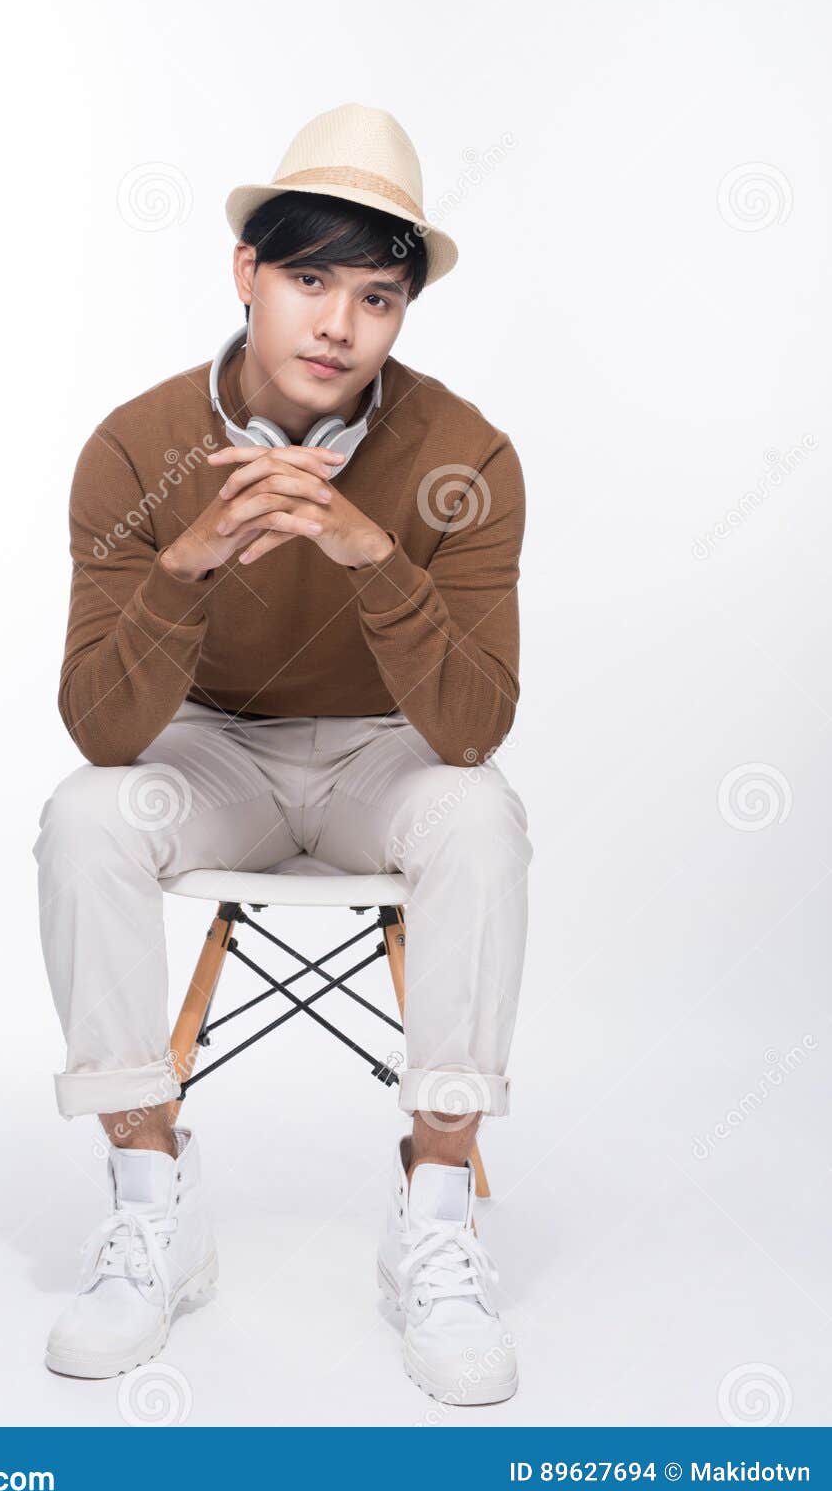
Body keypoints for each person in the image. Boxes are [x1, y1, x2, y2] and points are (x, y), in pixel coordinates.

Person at [32, 102, 533, 1405]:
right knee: (88, 811)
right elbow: (101, 726)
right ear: (246, 272)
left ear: (404, 312)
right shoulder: (137, 451)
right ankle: (152, 1194)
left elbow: (472, 727)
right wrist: (186, 564)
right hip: (216, 757)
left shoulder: (466, 456)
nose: (336, 325)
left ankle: (436, 1206)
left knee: (480, 811)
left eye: (375, 295)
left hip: (382, 758)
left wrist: (371, 555)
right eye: (308, 278)